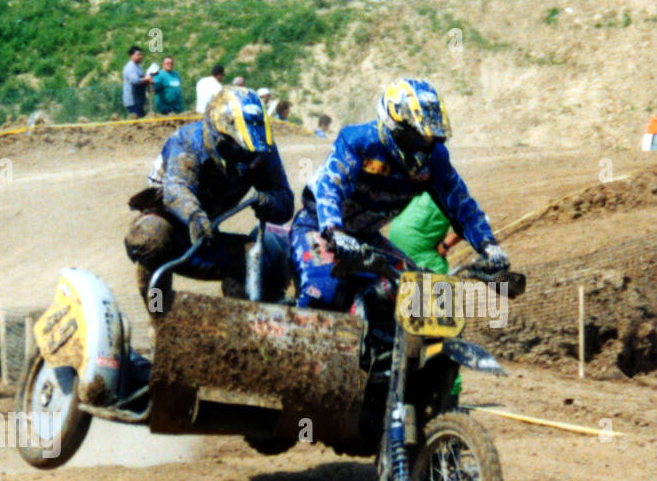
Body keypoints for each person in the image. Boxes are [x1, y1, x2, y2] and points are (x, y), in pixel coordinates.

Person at [288, 78, 507, 311]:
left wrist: (489, 246)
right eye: (416, 137)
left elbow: (463, 206)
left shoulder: (435, 160)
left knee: (423, 300)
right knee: (323, 293)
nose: (424, 146)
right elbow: (331, 187)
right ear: (395, 128)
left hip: (367, 239)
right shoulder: (360, 141)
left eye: (430, 139)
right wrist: (334, 231)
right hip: (317, 228)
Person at [125, 86, 294, 308]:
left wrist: (270, 202)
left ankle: (243, 325)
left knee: (259, 258)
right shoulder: (187, 141)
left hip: (208, 237)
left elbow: (285, 201)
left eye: (247, 151)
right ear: (216, 135)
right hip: (170, 232)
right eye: (234, 149)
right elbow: (177, 188)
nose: (242, 157)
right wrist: (194, 216)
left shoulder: (263, 151)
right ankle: (157, 312)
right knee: (151, 236)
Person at [386, 192, 462, 273]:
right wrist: (445, 245)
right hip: (416, 250)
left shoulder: (425, 185)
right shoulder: (455, 195)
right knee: (436, 276)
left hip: (393, 241)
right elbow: (468, 225)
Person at [122, 46, 155, 118]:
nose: (141, 56)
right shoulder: (130, 67)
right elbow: (135, 81)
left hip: (139, 101)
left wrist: (148, 79)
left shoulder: (137, 67)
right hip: (132, 102)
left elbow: (142, 79)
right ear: (132, 55)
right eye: (138, 54)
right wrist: (147, 78)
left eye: (141, 54)